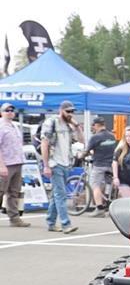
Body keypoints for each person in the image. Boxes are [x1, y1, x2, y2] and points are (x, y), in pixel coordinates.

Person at [40, 100, 82, 234]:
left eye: (72, 111)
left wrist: (77, 126)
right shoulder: (51, 122)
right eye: (68, 111)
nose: (71, 114)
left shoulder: (69, 126)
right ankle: (65, 224)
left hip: (66, 163)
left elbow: (81, 141)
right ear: (61, 110)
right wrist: (46, 165)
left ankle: (51, 222)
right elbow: (44, 143)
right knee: (61, 195)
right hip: (54, 163)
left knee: (56, 195)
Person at [0, 103, 30, 227]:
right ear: (1, 112)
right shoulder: (1, 126)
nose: (10, 112)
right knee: (1, 191)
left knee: (14, 192)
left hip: (17, 162)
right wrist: (1, 166)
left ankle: (14, 218)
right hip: (6, 163)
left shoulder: (15, 126)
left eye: (12, 110)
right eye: (7, 110)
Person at [85, 117, 116, 217]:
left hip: (99, 165)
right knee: (108, 184)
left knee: (95, 186)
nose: (92, 127)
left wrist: (80, 156)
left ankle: (99, 208)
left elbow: (87, 150)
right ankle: (108, 202)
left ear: (97, 125)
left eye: (93, 125)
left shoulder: (95, 137)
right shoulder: (112, 136)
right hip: (111, 164)